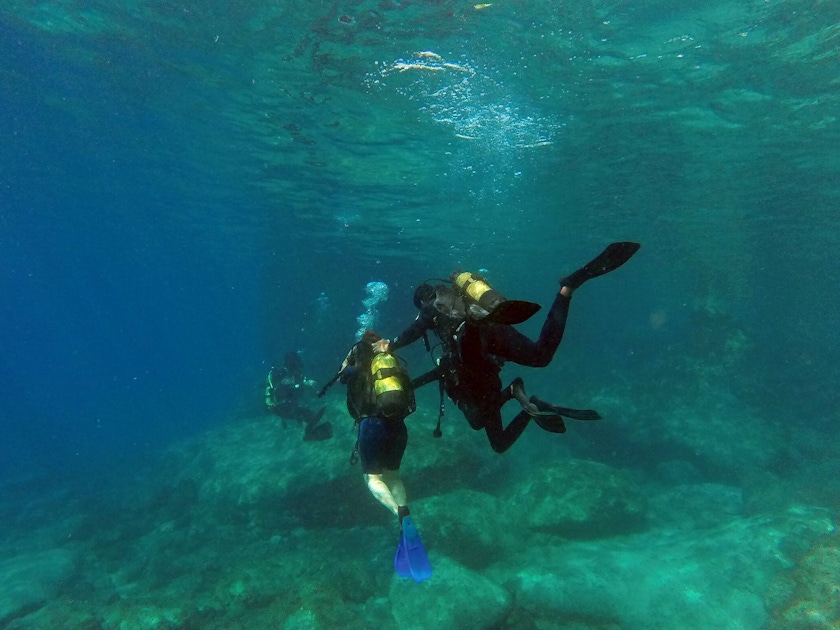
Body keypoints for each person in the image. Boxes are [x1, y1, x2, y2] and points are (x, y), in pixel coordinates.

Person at [383, 242, 641, 453]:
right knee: (541, 356)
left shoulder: (431, 307)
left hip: (474, 346)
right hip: (494, 329)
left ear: (422, 300)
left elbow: (413, 331)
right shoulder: (461, 293)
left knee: (485, 421)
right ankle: (566, 291)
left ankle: (490, 348)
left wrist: (392, 345)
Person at [265, 351, 333, 441]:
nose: (297, 369)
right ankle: (308, 435)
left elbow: (298, 391)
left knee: (311, 415)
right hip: (281, 407)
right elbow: (283, 391)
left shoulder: (296, 374)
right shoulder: (281, 374)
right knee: (309, 415)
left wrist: (307, 387)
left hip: (290, 406)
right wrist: (303, 385)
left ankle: (309, 433)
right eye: (296, 365)